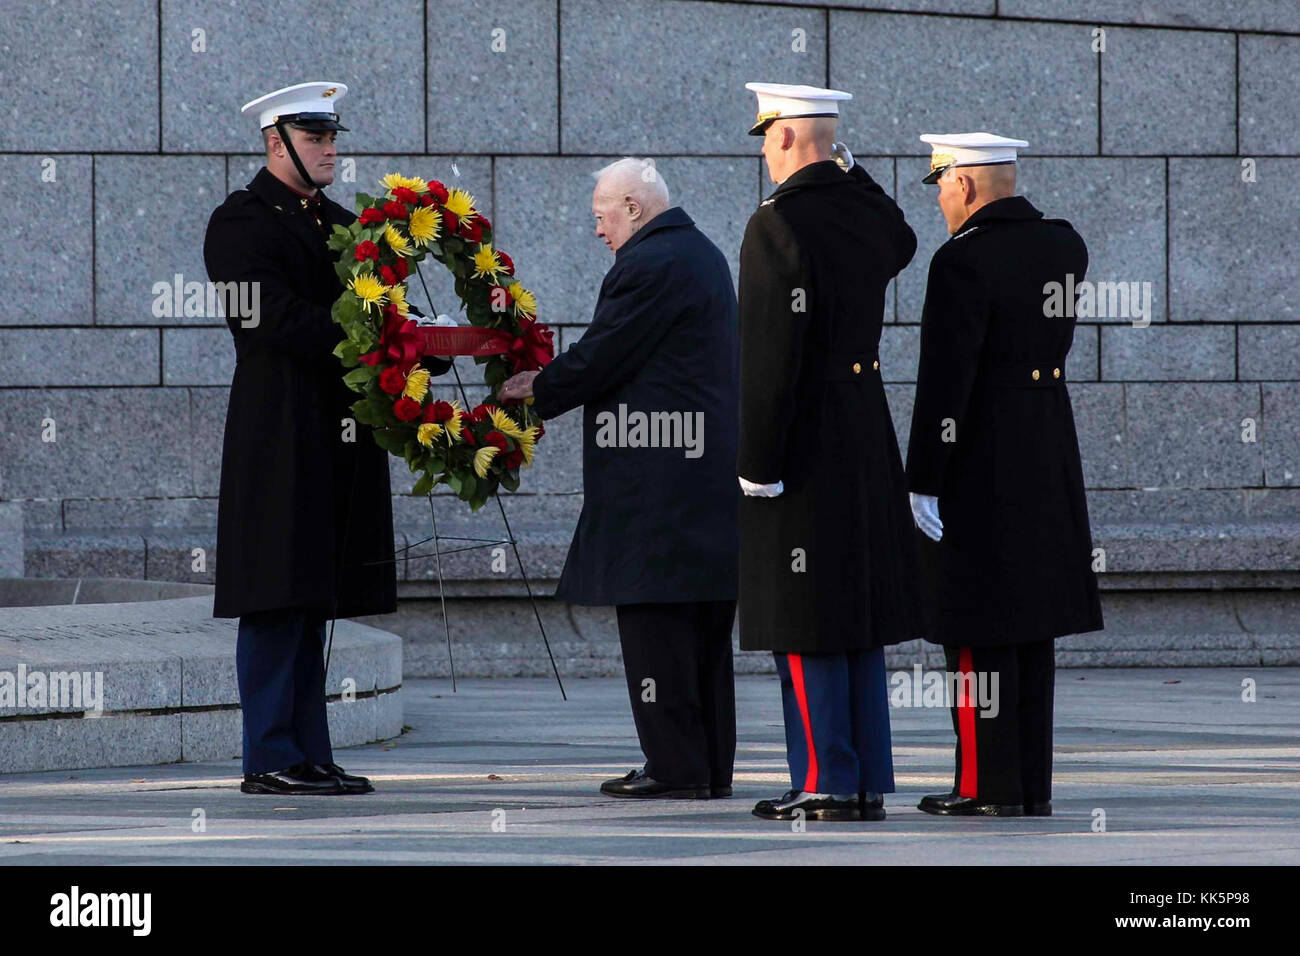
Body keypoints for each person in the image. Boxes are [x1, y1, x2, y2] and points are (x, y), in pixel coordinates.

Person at [205, 82, 446, 796]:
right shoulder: (241, 222)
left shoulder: (344, 225)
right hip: (278, 432)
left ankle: (308, 751)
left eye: (333, 138)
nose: (331, 150)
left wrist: (429, 346)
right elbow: (270, 321)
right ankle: (270, 755)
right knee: (277, 594)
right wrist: (380, 339)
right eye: (316, 139)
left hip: (338, 436)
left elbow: (387, 308)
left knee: (313, 597)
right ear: (276, 143)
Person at [498, 158, 739, 800]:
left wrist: (540, 385)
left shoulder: (651, 263)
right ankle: (708, 766)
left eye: (601, 216)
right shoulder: (699, 252)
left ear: (632, 207)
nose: (598, 230)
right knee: (703, 633)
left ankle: (674, 766)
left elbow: (608, 351)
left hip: (657, 484)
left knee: (656, 624)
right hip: (701, 475)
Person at [737, 84, 921, 822]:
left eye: (765, 136)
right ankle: (867, 777)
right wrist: (852, 164)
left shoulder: (776, 223)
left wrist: (757, 462)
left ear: (784, 138)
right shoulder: (858, 214)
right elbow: (904, 235)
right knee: (856, 613)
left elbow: (769, 357)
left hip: (804, 438)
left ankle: (823, 779)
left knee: (805, 614)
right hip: (863, 429)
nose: (761, 151)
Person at [906, 132, 1104, 817]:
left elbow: (945, 379)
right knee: (1032, 627)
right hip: (1046, 449)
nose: (937, 200)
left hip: (980, 457)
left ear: (963, 183)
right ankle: (1028, 786)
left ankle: (983, 785)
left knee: (976, 625)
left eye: (939, 185)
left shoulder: (963, 261)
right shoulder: (1063, 244)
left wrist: (923, 474)